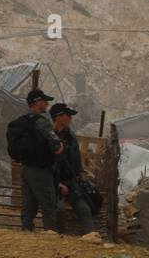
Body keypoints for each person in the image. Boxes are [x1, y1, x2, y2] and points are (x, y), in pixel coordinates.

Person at [15, 89, 63, 232]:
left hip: (25, 169)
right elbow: (56, 146)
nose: (47, 104)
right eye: (44, 101)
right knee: (48, 204)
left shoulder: (22, 121)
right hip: (41, 170)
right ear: (37, 102)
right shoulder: (42, 122)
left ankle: (26, 230)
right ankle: (50, 234)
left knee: (28, 203)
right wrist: (60, 147)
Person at [50, 103, 95, 235]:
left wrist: (81, 173)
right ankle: (58, 239)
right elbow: (45, 164)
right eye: (68, 115)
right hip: (53, 182)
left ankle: (91, 237)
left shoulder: (70, 135)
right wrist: (57, 184)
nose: (70, 118)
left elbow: (75, 158)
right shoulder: (48, 136)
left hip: (71, 181)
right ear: (58, 117)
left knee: (84, 209)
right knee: (59, 210)